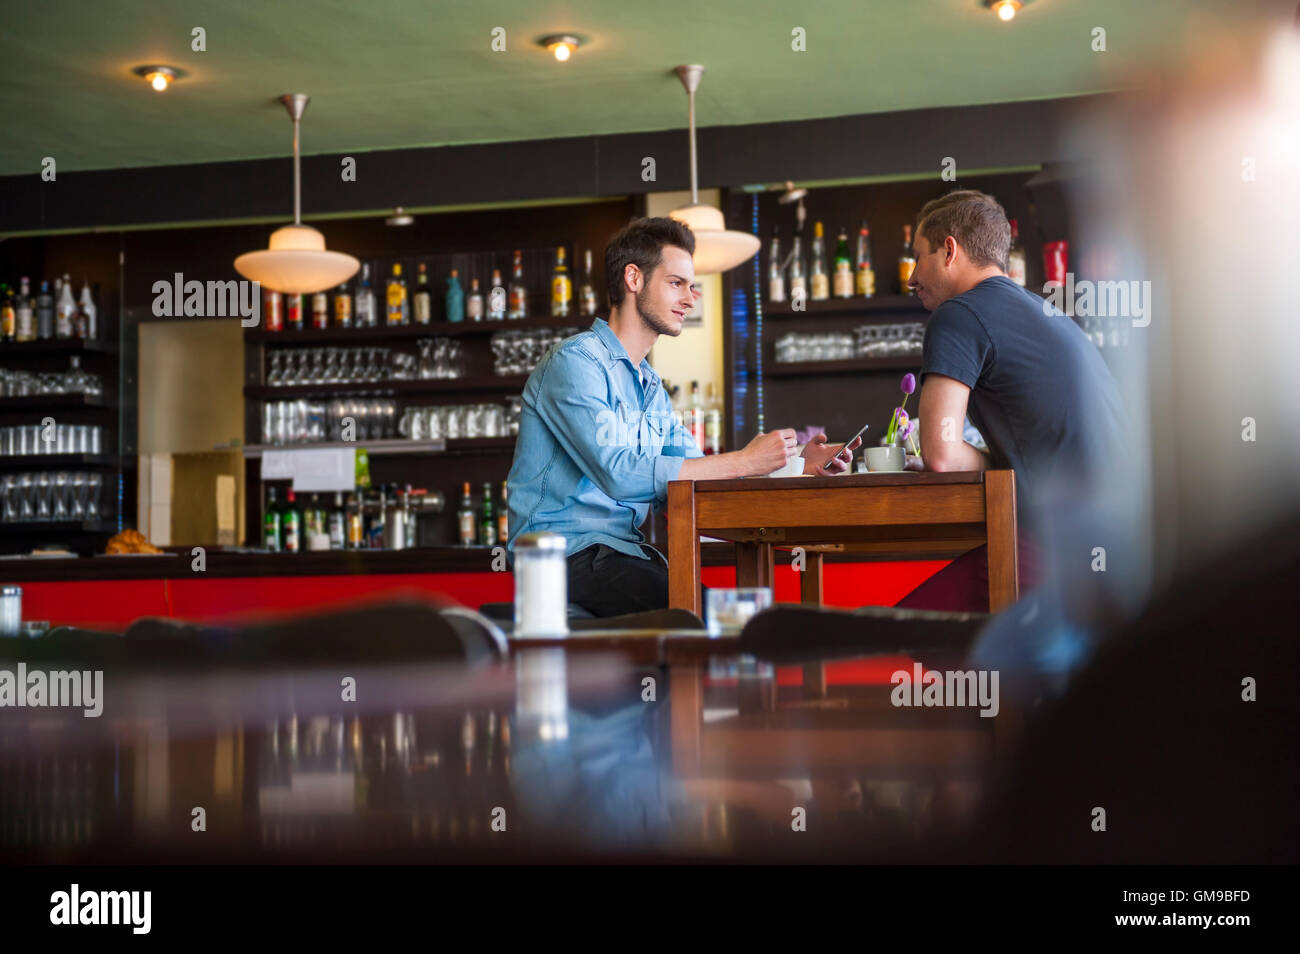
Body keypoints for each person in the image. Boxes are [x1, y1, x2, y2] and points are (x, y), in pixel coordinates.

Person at [506, 216, 855, 618]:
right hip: (560, 556)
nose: (691, 298)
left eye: (692, 286)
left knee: (730, 614)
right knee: (720, 617)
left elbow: (699, 474)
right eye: (676, 283)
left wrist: (794, 467)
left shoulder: (650, 386)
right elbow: (617, 473)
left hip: (620, 554)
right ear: (633, 278)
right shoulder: (576, 361)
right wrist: (746, 459)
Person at [897, 189, 1127, 612]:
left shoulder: (958, 314)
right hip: (1121, 537)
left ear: (950, 250)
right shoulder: (1044, 312)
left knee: (896, 638)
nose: (912, 277)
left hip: (1056, 542)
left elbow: (941, 455)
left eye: (918, 258)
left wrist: (971, 458)